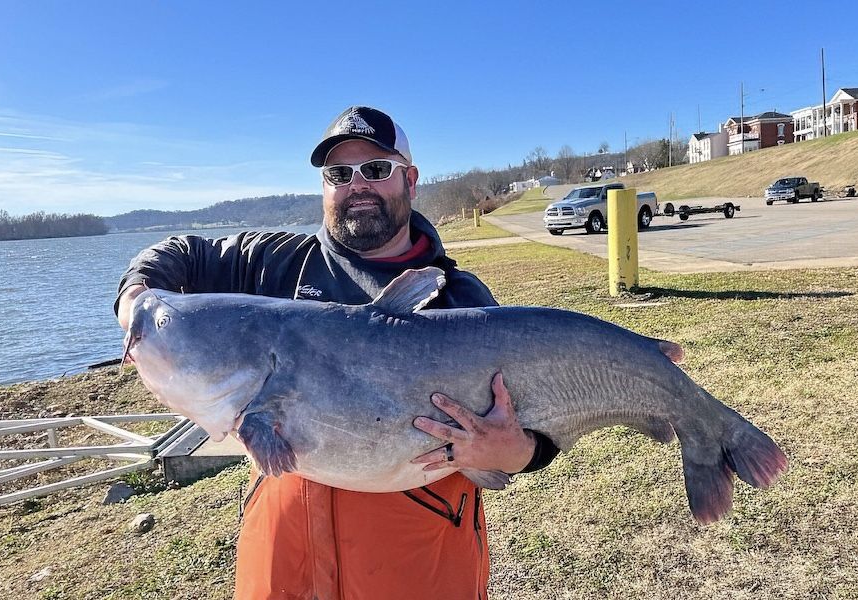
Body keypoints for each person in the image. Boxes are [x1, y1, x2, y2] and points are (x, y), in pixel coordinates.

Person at [114, 106, 562, 600]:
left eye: (376, 169)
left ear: (410, 180)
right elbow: (180, 252)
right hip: (285, 565)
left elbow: (536, 424)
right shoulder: (276, 263)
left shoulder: (462, 301)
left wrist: (517, 452)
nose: (357, 185)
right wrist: (135, 298)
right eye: (339, 174)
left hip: (416, 566)